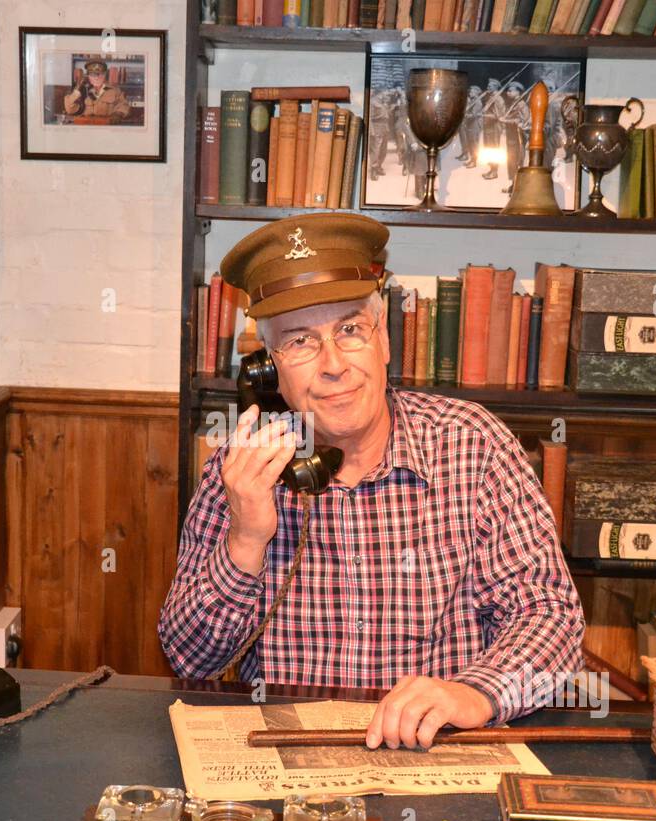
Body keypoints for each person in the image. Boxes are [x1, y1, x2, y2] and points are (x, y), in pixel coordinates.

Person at [158, 212, 585, 750]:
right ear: (269, 372)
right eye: (301, 342)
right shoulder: (241, 471)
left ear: (383, 339)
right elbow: (188, 657)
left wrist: (475, 694)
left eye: (350, 330)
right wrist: (246, 539)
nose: (334, 365)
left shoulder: (473, 446)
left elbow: (550, 616)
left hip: (434, 752)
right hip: (292, 762)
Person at [63, 58, 132, 121]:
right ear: (88, 76)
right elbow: (69, 109)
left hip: (106, 126)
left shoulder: (114, 90)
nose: (96, 78)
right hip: (86, 126)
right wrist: (78, 89)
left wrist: (118, 114)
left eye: (100, 74)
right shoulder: (82, 89)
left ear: (105, 75)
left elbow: (124, 105)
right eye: (93, 74)